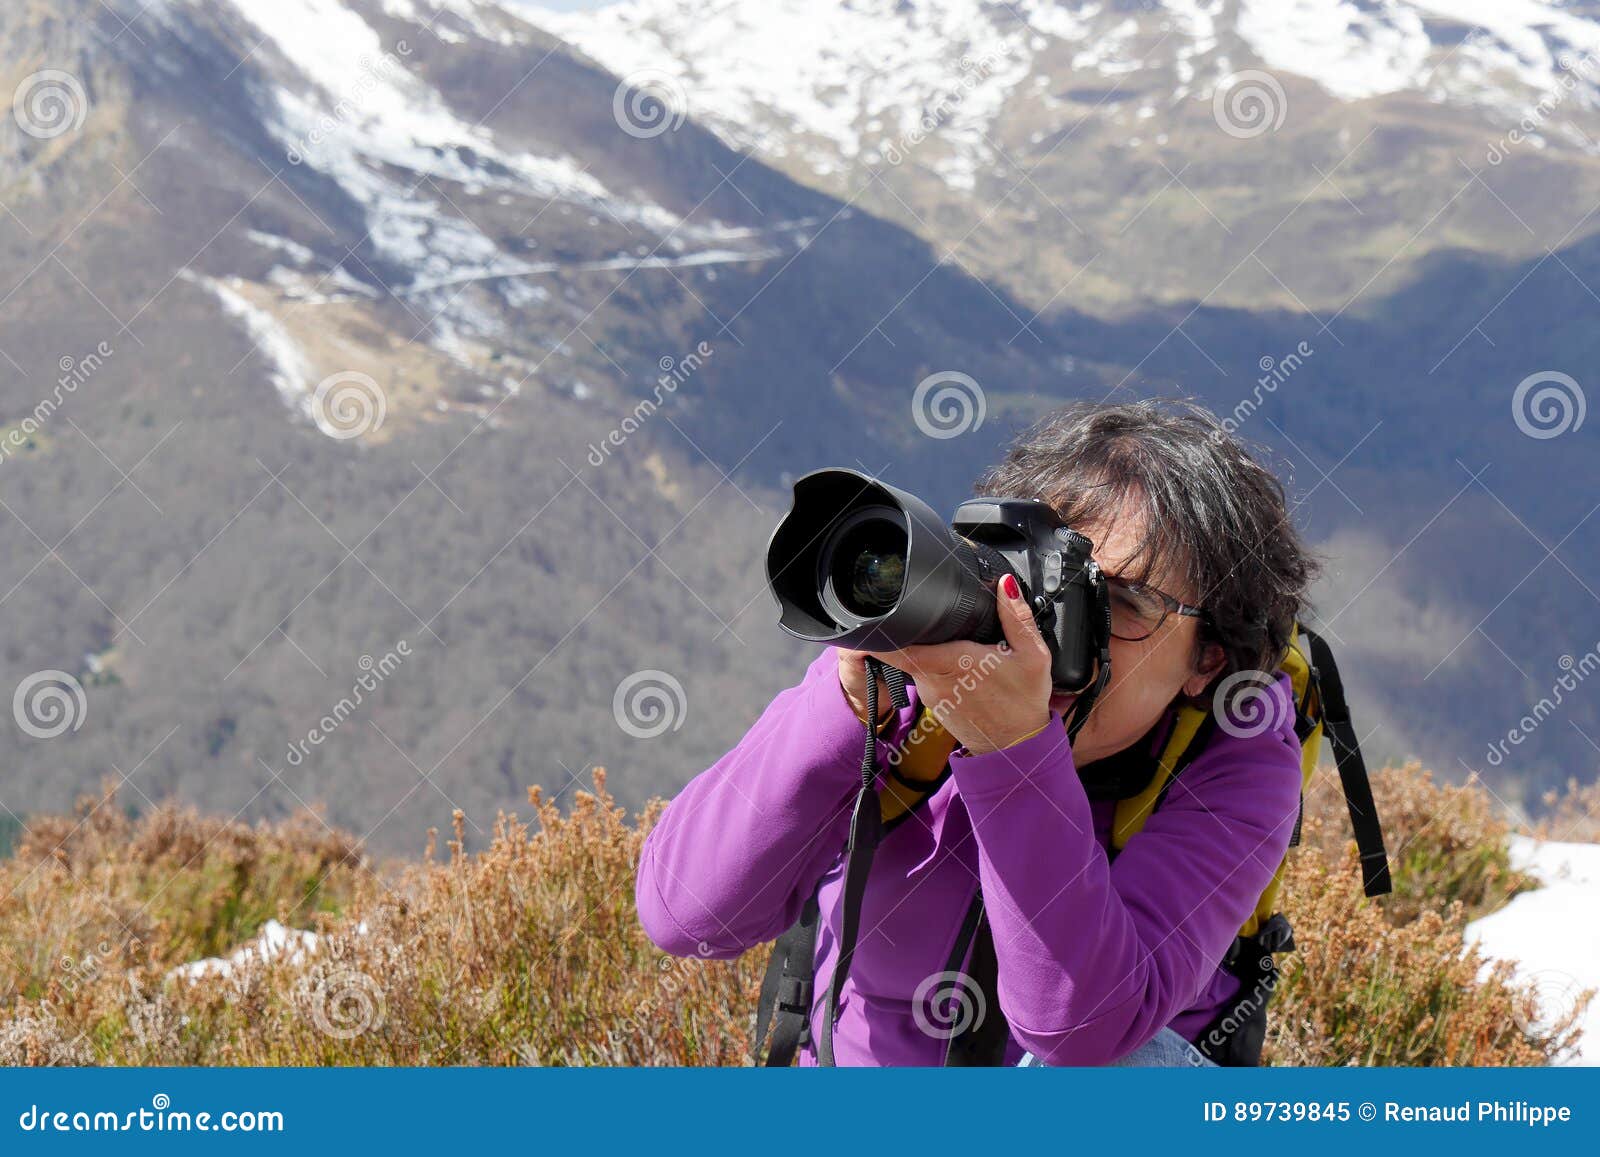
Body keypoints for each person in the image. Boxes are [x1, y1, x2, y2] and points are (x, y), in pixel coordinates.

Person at [635, 398, 1316, 1066]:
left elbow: (1081, 1033)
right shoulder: (916, 677)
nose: (1059, 627)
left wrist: (1015, 753)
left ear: (1211, 657)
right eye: (1048, 579)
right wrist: (843, 705)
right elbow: (686, 915)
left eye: (1124, 602)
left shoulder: (1236, 757)